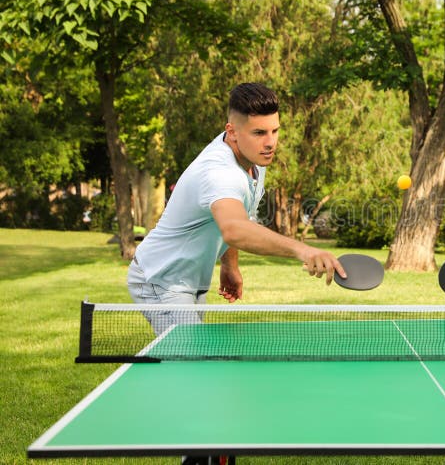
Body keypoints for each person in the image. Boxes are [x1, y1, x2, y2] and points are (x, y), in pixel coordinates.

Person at [127, 82, 345, 335]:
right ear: (231, 132)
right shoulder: (219, 171)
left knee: (187, 363)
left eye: (275, 131)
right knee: (193, 363)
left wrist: (230, 265)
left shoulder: (254, 161)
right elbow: (234, 229)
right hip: (160, 279)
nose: (270, 142)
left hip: (189, 281)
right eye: (259, 133)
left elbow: (235, 217)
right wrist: (303, 251)